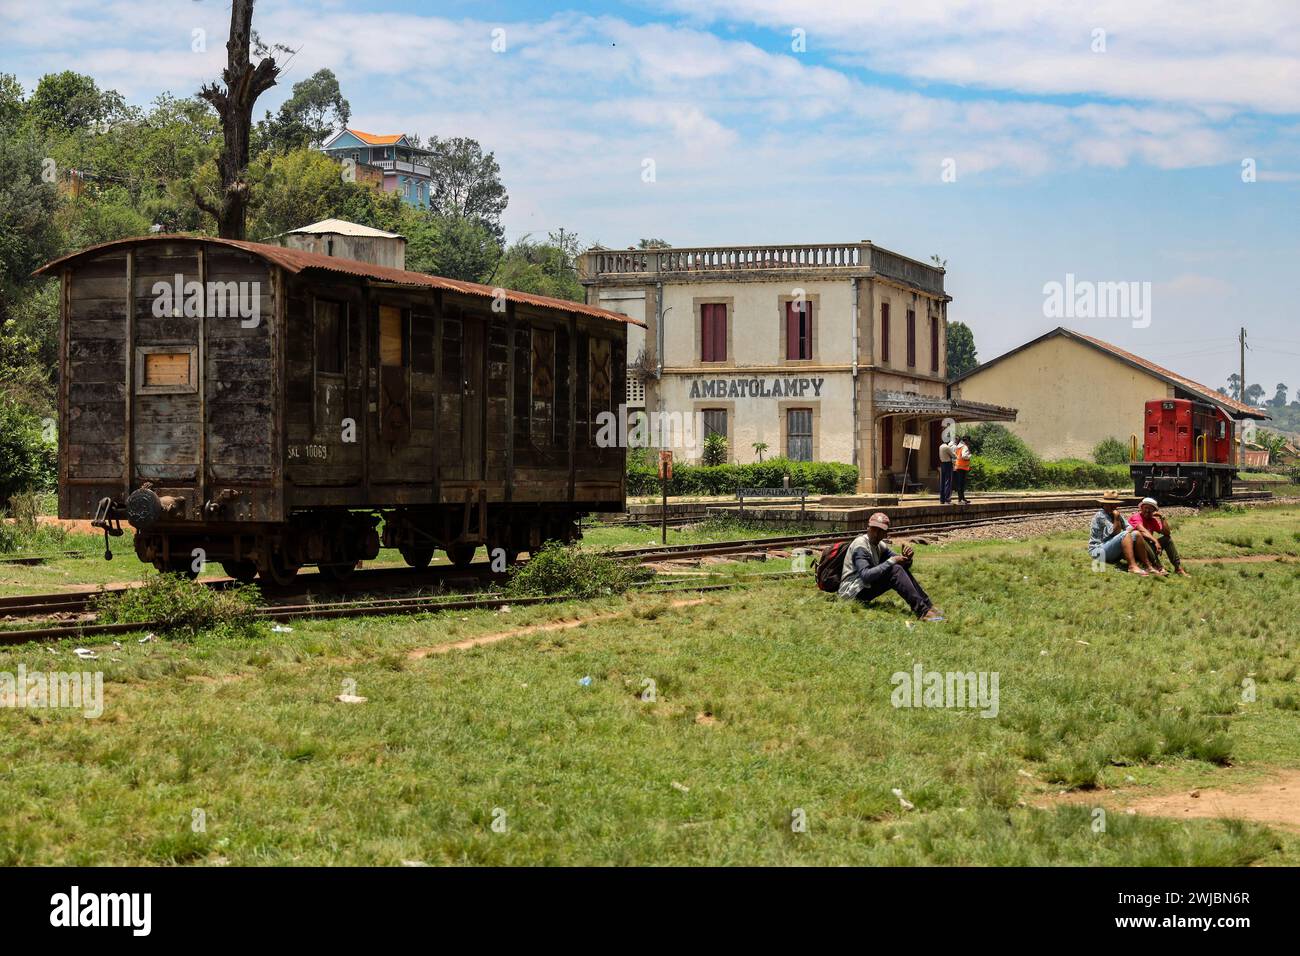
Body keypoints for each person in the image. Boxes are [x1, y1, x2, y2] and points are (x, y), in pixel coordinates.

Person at [838, 512, 945, 621]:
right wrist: (892, 561)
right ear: (868, 528)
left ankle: (928, 606)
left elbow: (901, 564)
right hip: (852, 594)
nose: (876, 533)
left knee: (897, 567)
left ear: (885, 534)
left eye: (880, 531)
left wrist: (907, 558)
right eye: (874, 529)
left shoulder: (879, 545)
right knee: (895, 569)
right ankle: (922, 612)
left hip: (863, 587)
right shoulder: (861, 546)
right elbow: (865, 575)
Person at [1088, 490, 1158, 575]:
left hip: (1109, 547)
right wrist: (1117, 518)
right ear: (1104, 504)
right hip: (1098, 551)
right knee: (1125, 534)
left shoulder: (1115, 514)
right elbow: (1116, 532)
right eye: (1110, 504)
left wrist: (1126, 529)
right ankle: (1132, 566)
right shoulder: (1101, 516)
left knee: (1136, 534)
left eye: (1115, 504)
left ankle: (1148, 566)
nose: (1114, 506)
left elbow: (1130, 527)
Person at [1128, 497, 1188, 577]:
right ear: (1141, 508)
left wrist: (1162, 517)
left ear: (1154, 511)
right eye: (1146, 508)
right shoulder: (1136, 517)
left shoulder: (1152, 520)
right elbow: (1142, 530)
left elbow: (1167, 533)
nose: (1148, 511)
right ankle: (1158, 567)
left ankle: (1178, 568)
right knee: (1143, 538)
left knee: (1167, 539)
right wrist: (1156, 541)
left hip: (1149, 549)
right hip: (1136, 550)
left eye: (1151, 509)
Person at [953, 435, 972, 504]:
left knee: (960, 484)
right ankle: (960, 500)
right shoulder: (965, 447)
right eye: (969, 441)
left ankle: (962, 499)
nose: (969, 443)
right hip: (963, 467)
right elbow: (964, 456)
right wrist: (970, 455)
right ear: (967, 441)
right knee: (962, 484)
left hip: (958, 466)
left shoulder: (958, 447)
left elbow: (955, 456)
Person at [937, 436, 955, 504]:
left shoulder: (940, 447)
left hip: (942, 464)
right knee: (948, 481)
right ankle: (947, 498)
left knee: (942, 481)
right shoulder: (947, 447)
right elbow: (953, 455)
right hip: (948, 464)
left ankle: (942, 499)